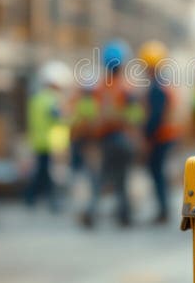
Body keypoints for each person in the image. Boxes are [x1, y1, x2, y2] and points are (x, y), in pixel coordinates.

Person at [80, 40, 143, 228]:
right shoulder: (126, 88)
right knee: (122, 179)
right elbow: (136, 115)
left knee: (102, 178)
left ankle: (92, 211)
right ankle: (124, 216)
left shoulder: (98, 88)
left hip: (105, 140)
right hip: (121, 139)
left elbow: (88, 115)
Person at [138, 40, 180, 224]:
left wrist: (146, 137)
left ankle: (163, 210)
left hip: (159, 137)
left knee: (157, 173)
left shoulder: (157, 88)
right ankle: (163, 209)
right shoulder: (163, 83)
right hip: (165, 135)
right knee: (159, 172)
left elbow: (155, 117)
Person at [25, 60, 71, 212]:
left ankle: (32, 198)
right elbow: (58, 117)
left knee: (43, 172)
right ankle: (48, 200)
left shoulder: (37, 98)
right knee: (50, 174)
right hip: (51, 143)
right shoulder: (52, 99)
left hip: (39, 141)